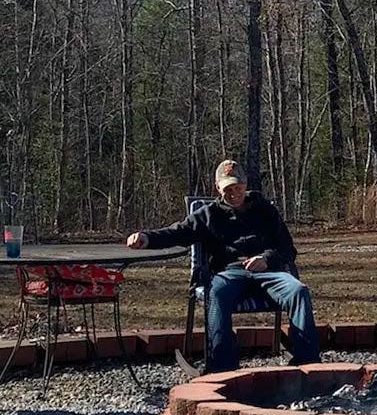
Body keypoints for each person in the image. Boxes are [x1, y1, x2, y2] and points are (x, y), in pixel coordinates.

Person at [126, 159, 321, 373]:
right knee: (216, 295)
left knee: (298, 291)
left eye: (238, 186)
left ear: (246, 185)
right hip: (230, 274)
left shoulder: (265, 210)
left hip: (269, 271)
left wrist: (266, 258)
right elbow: (178, 232)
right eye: (228, 188)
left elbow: (287, 249)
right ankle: (221, 368)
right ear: (218, 187)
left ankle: (308, 363)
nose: (234, 192)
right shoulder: (208, 215)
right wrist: (146, 238)